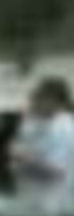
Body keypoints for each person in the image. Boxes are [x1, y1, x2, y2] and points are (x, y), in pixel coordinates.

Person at [9, 77, 74, 208]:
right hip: (28, 199)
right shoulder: (30, 123)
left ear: (55, 102)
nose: (33, 103)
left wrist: (25, 160)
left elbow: (56, 170)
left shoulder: (64, 129)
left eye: (39, 99)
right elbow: (19, 153)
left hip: (54, 205)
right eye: (33, 99)